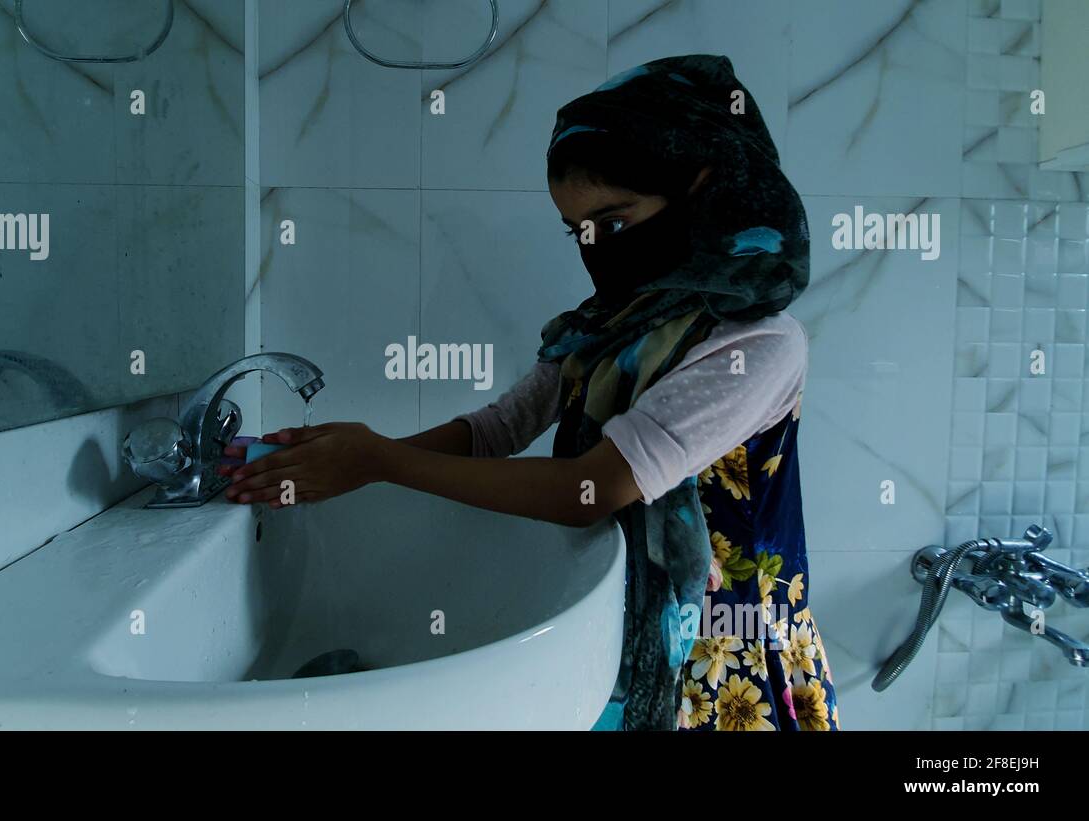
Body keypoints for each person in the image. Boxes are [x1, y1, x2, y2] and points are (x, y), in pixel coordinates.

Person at [221, 54, 839, 731]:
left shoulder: (762, 344)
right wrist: (350, 462)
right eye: (579, 231)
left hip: (726, 662)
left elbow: (592, 489)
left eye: (615, 220)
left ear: (705, 186)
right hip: (615, 624)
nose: (596, 248)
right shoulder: (601, 330)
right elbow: (494, 431)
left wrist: (377, 462)